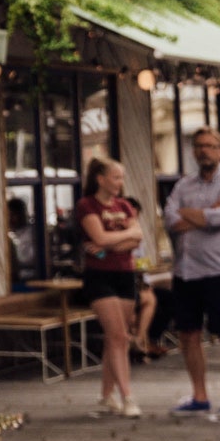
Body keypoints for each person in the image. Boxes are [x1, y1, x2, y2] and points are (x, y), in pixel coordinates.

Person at [163, 124, 220, 418]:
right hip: (185, 272)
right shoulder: (183, 186)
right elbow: (171, 219)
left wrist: (200, 215)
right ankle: (199, 395)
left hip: (219, 271)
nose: (204, 151)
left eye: (210, 146)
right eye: (199, 146)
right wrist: (203, 215)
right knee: (188, 334)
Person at [78, 156, 143, 418]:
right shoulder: (87, 205)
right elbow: (99, 236)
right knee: (119, 337)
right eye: (115, 177)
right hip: (99, 276)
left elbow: (137, 238)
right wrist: (115, 239)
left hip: (125, 275)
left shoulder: (125, 205)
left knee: (114, 338)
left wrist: (108, 243)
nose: (120, 183)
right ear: (101, 179)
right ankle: (128, 397)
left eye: (121, 178)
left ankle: (106, 396)